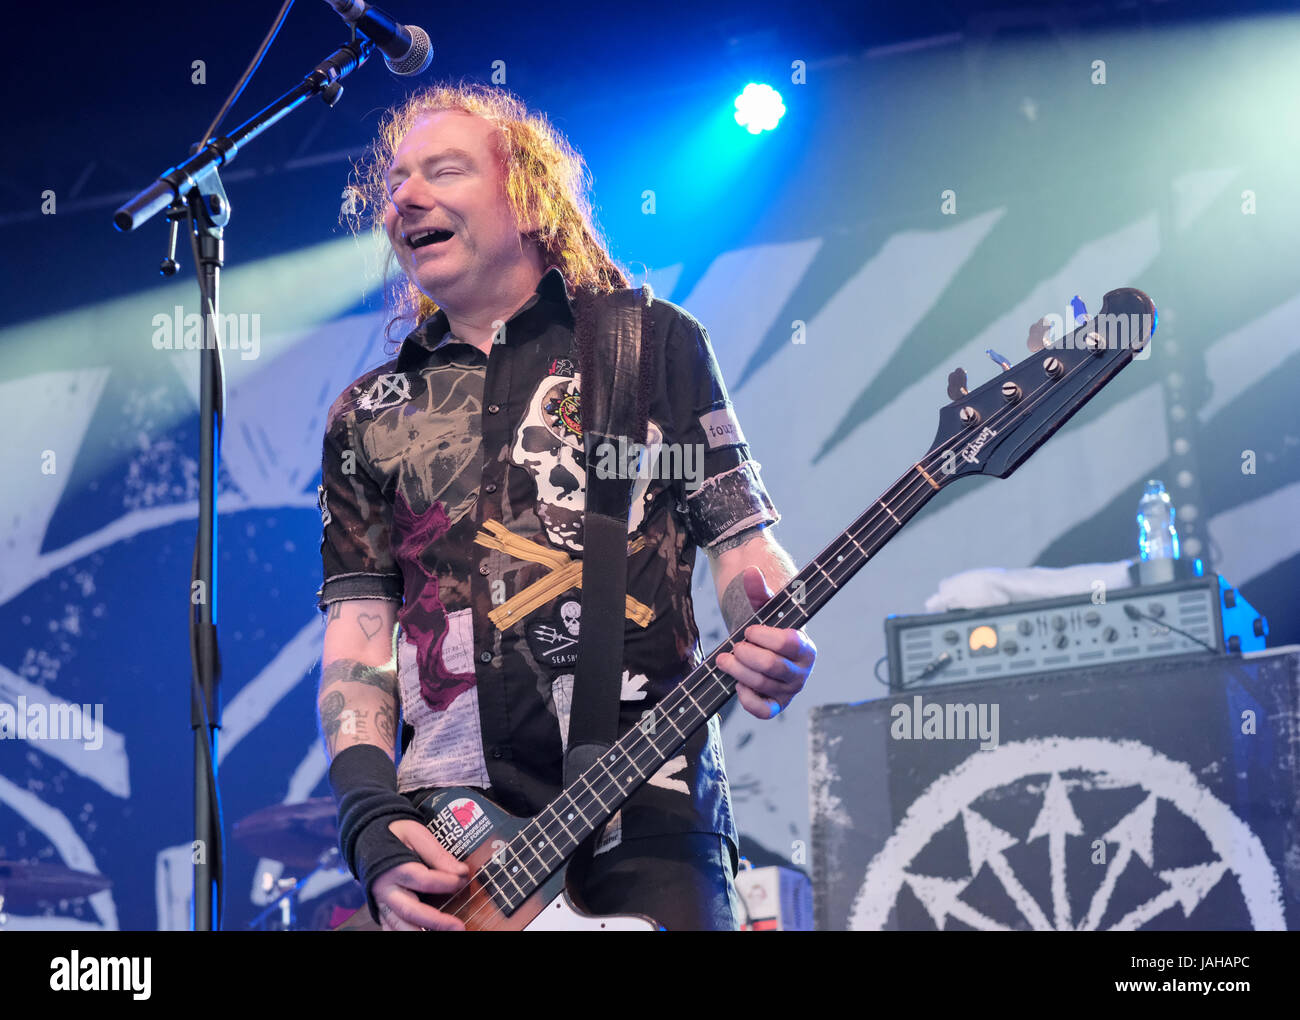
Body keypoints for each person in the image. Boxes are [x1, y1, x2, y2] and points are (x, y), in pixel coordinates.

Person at [316, 83, 815, 931]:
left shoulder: (652, 343)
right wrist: (372, 817)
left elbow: (741, 541)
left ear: (528, 196)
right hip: (454, 836)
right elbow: (362, 629)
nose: (404, 196)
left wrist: (769, 624)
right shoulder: (371, 411)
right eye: (395, 181)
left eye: (443, 170)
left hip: (649, 804)